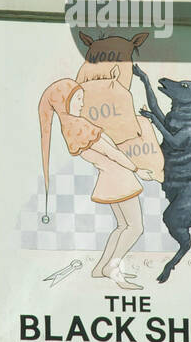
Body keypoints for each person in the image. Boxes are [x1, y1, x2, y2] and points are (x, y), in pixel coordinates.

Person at [38, 79, 153, 290]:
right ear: (65, 102)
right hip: (120, 178)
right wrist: (138, 170)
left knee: (122, 226)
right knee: (135, 227)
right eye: (78, 99)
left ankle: (100, 268)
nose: (82, 103)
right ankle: (113, 266)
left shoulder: (70, 126)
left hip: (109, 178)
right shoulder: (78, 126)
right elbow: (111, 152)